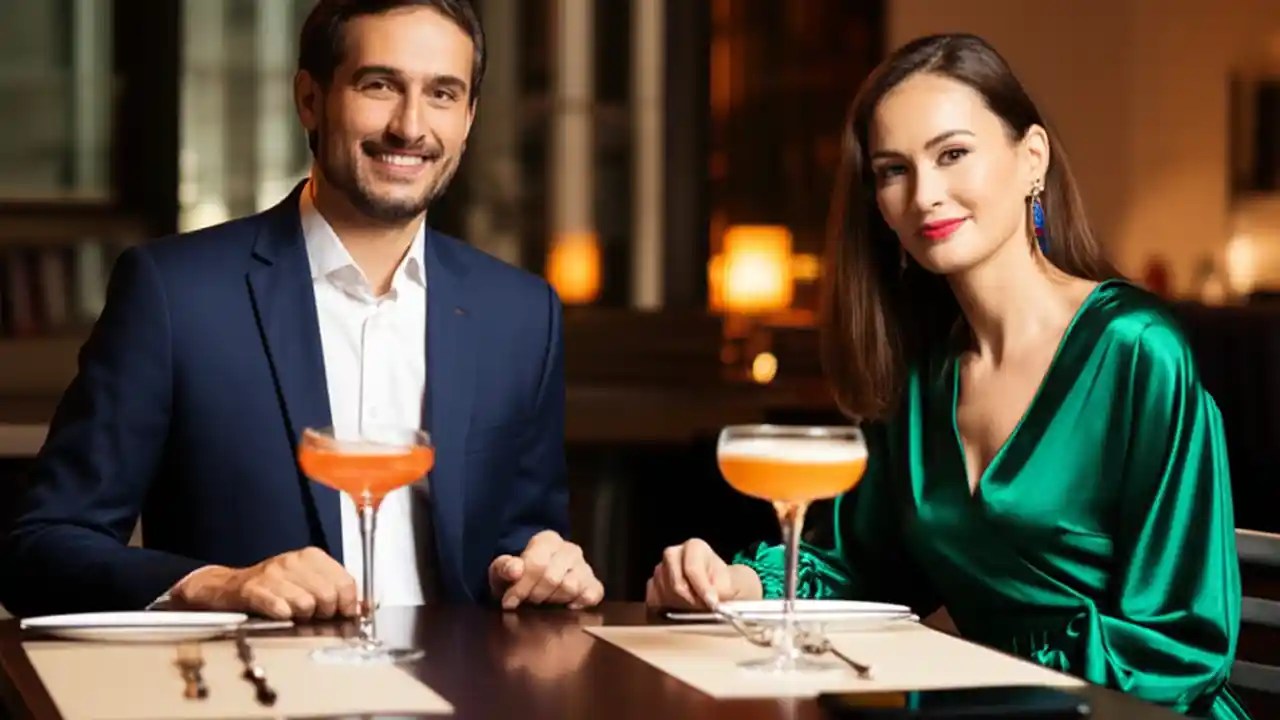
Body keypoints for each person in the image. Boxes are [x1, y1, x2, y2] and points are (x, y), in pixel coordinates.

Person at [647, 34, 1249, 719]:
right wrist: (736, 582)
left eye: (953, 154)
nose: (925, 195)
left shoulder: (1135, 347)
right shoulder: (923, 376)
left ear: (1032, 159)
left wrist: (972, 669)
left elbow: (1179, 640)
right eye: (892, 170)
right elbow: (857, 562)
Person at [0, 0, 603, 620]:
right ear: (310, 100)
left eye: (443, 94)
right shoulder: (175, 294)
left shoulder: (522, 314)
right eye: (380, 85)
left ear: (470, 118)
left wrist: (547, 567)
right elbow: (40, 549)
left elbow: (523, 551)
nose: (410, 126)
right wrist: (219, 584)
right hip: (258, 701)